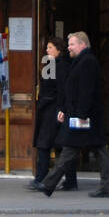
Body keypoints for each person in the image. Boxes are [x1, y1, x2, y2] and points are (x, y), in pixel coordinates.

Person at [39, 31, 109, 198]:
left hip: (85, 117)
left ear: (82, 45)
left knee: (73, 149)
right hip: (85, 116)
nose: (69, 47)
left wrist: (80, 115)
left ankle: (49, 184)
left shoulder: (87, 62)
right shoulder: (81, 61)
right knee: (91, 149)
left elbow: (85, 92)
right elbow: (72, 91)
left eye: (72, 44)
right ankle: (49, 184)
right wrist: (65, 110)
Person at [26, 37, 77, 191]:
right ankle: (69, 180)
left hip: (52, 109)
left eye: (50, 47)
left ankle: (42, 177)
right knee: (59, 145)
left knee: (45, 144)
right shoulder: (54, 65)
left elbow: (62, 89)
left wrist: (61, 109)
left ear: (58, 50)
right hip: (50, 108)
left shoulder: (59, 66)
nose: (47, 50)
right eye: (47, 48)